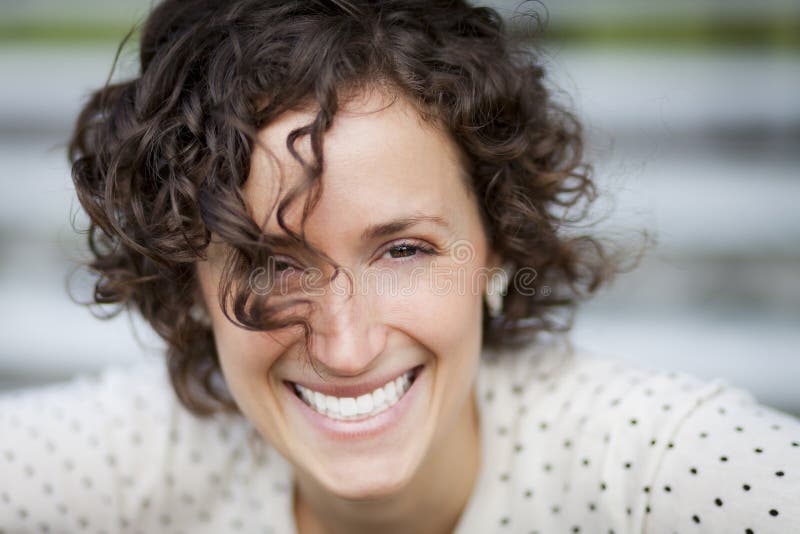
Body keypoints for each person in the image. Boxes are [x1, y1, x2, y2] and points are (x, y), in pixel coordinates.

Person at [1, 1, 798, 533]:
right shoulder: (131, 463)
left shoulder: (666, 470)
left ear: (497, 246)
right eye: (270, 263)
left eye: (404, 250)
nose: (346, 349)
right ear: (187, 282)